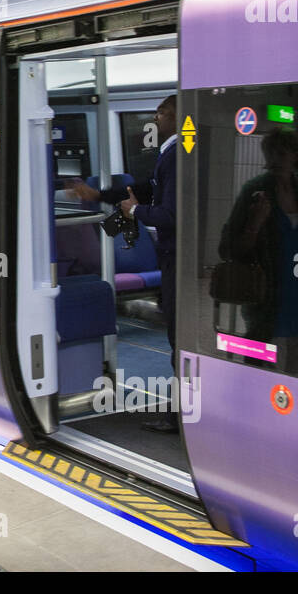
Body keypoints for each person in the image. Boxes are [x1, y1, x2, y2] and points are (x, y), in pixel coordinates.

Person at [68, 94, 179, 431]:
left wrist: (135, 212)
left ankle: (179, 416)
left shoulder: (177, 154)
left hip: (177, 259)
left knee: (180, 340)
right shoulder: (172, 154)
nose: (156, 118)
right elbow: (147, 189)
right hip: (176, 260)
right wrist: (100, 196)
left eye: (162, 112)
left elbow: (170, 213)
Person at [217, 127, 298, 345]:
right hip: (267, 293)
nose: (275, 159)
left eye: (281, 153)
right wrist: (255, 222)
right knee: (263, 355)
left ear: (295, 155)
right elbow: (228, 248)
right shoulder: (255, 191)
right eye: (270, 153)